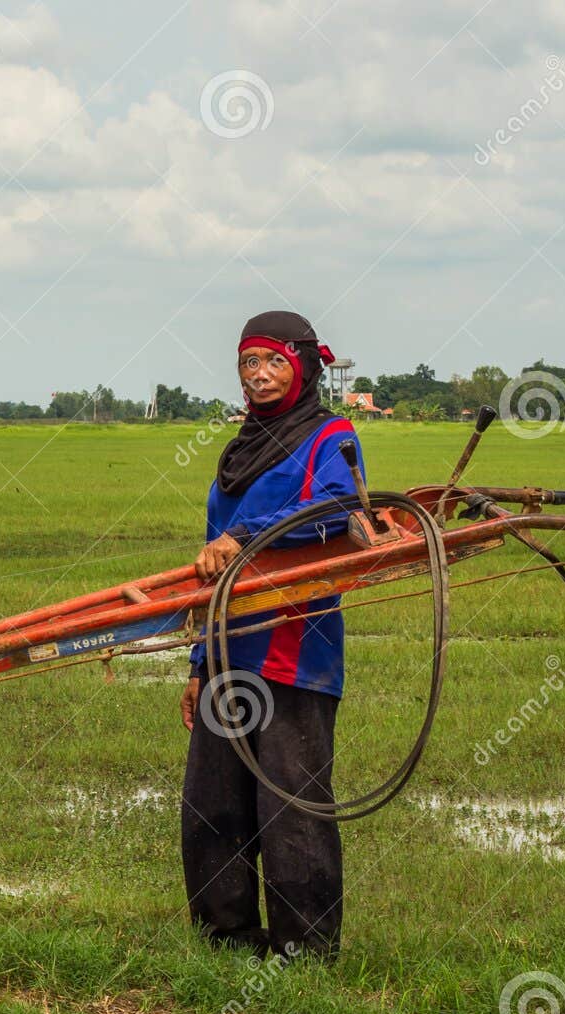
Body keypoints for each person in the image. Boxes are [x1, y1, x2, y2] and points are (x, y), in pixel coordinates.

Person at [180, 310, 359, 959]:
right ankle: (226, 935)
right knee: (213, 802)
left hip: (294, 651)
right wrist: (199, 662)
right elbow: (212, 568)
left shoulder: (329, 438)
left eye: (272, 362)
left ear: (303, 365)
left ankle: (305, 948)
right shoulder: (239, 450)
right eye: (247, 363)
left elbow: (337, 510)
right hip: (229, 654)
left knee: (292, 805)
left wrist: (245, 536)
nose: (257, 375)